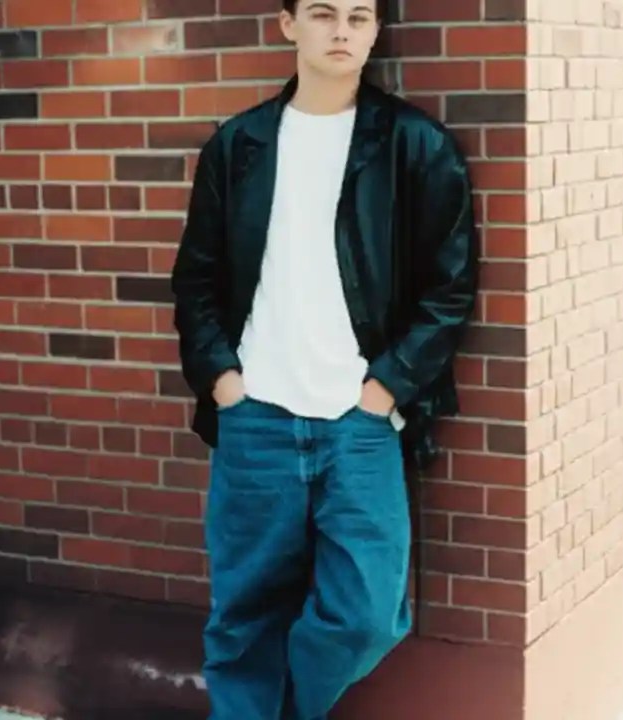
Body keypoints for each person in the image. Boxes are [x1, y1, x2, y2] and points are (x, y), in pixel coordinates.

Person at [170, 1, 479, 717]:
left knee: (367, 614)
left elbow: (450, 287)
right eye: (322, 13)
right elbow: (196, 281)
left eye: (359, 17)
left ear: (375, 32)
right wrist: (224, 382)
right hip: (256, 418)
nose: (341, 30)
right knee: (243, 615)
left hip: (360, 423)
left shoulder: (414, 145)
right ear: (288, 24)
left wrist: (386, 389)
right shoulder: (240, 146)